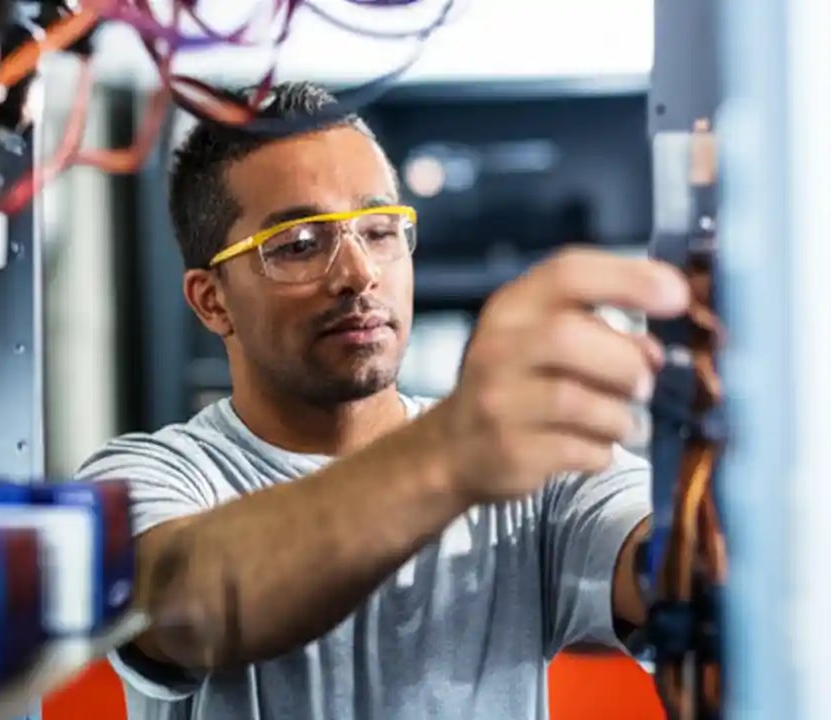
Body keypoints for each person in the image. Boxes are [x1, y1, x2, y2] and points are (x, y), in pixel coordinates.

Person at [77, 82, 691, 720]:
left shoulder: (533, 477)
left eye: (378, 231)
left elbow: (671, 570)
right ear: (212, 300)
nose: (359, 274)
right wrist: (451, 455)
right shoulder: (143, 479)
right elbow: (187, 607)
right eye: (297, 246)